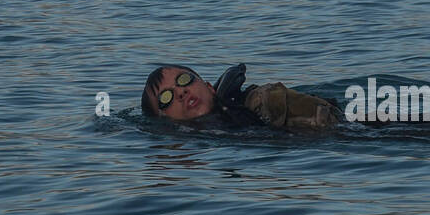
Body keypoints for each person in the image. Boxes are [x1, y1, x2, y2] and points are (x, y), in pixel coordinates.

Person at [140, 63, 342, 131]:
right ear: (163, 120)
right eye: (166, 98)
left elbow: (340, 127)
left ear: (210, 87)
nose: (181, 92)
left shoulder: (263, 100)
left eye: (184, 80)